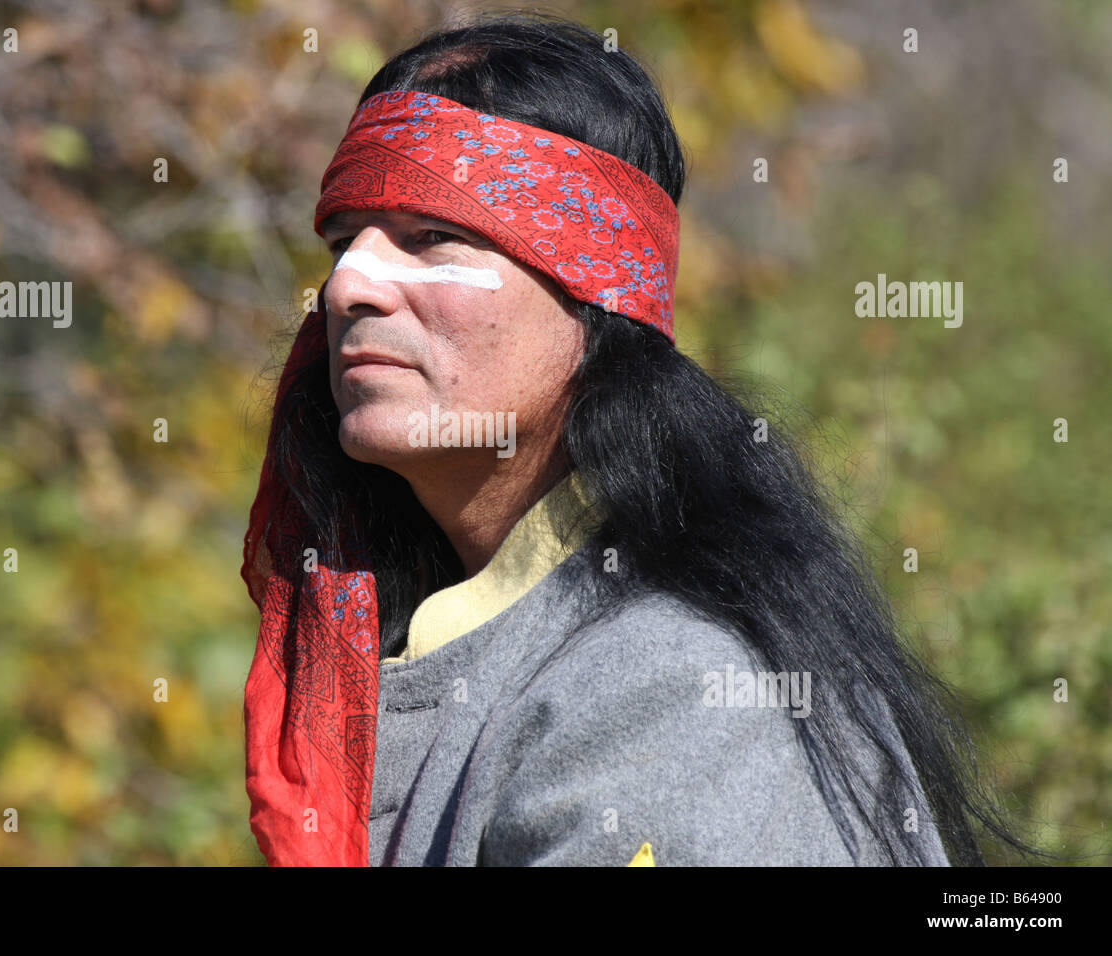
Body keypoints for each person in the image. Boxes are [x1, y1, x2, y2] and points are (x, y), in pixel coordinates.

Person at [240, 12, 1032, 867]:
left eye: (434, 237)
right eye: (341, 240)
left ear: (594, 294)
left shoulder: (670, 693)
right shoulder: (407, 629)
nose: (349, 282)